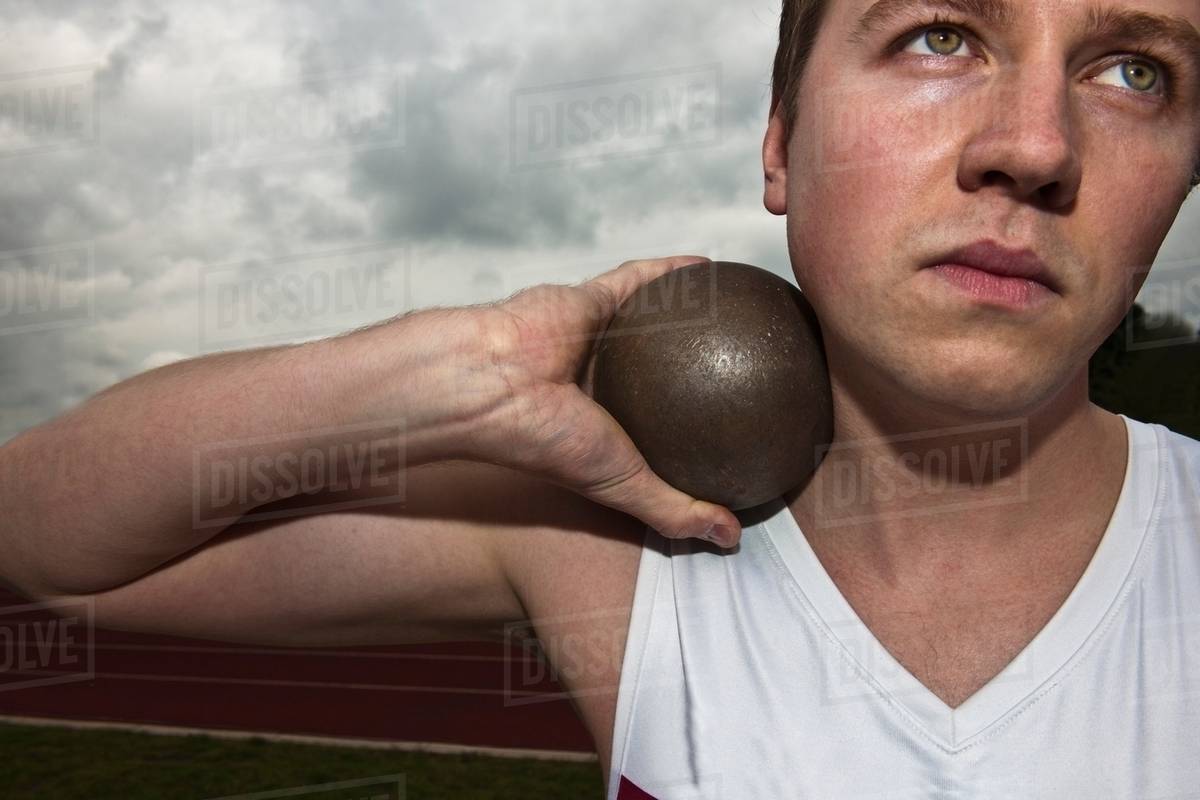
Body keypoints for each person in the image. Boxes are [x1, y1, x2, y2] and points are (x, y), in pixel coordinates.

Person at [2, 0, 1199, 797]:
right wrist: (451, 365)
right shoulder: (594, 539)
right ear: (779, 143)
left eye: (1138, 70)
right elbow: (49, 543)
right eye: (940, 35)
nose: (1036, 144)